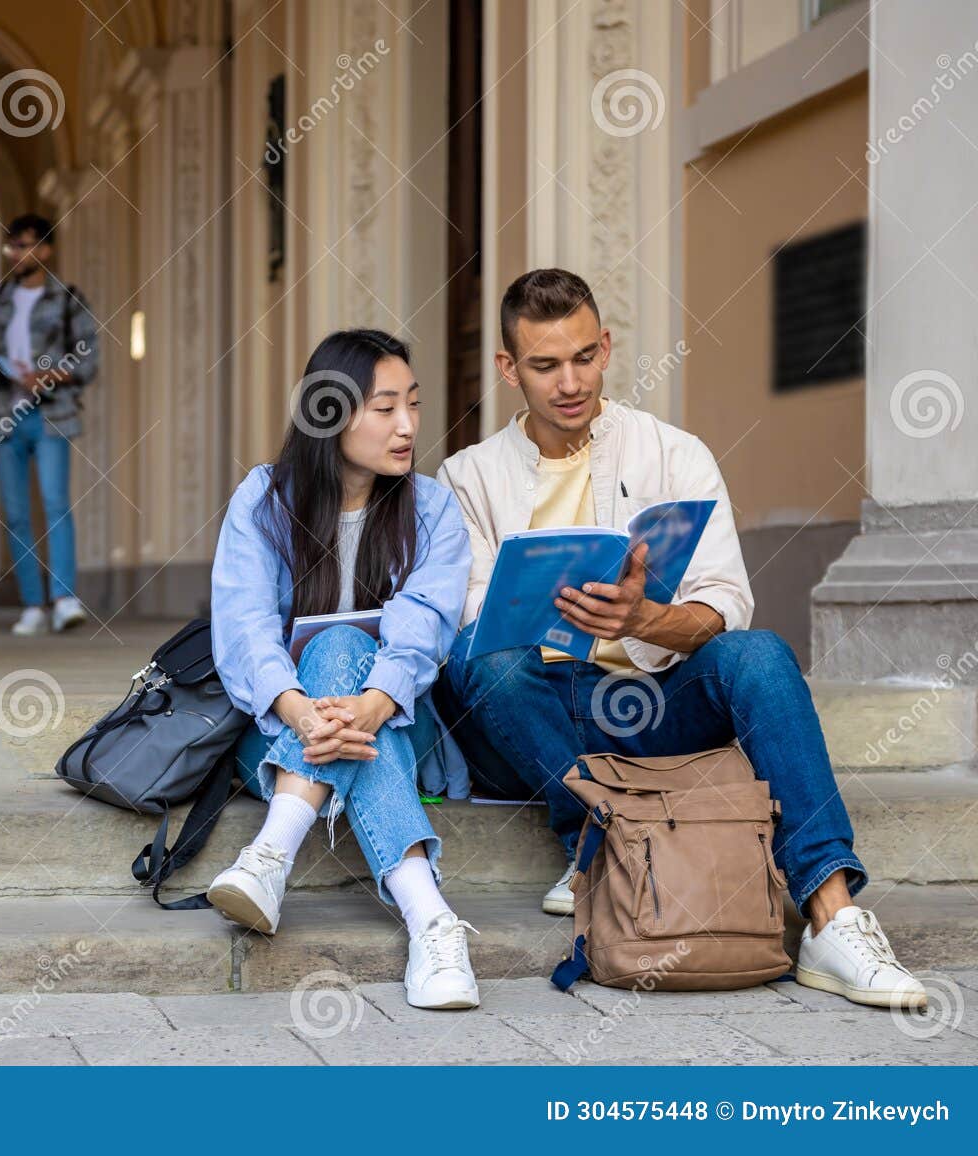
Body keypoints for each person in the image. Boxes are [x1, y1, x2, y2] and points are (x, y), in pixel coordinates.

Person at [434, 268, 927, 1010]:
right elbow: (463, 627)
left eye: (583, 358)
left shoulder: (675, 455)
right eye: (544, 366)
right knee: (491, 668)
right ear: (509, 368)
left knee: (759, 654)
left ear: (605, 347)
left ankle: (833, 917)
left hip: (653, 700)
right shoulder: (465, 477)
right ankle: (600, 848)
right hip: (537, 721)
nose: (569, 382)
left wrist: (642, 620)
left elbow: (723, 601)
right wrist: (549, 613)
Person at [207, 328, 480, 1010]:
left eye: (412, 405)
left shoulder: (433, 509)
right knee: (331, 654)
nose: (408, 425)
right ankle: (433, 922)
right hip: (275, 732)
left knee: (346, 653)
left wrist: (375, 702)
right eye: (385, 408)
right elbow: (244, 629)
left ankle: (270, 856)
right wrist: (303, 710)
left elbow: (423, 626)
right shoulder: (265, 500)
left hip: (398, 729)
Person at [0, 213, 99, 636]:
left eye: (27, 245)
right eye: (14, 246)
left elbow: (88, 357)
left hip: (52, 414)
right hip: (7, 414)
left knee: (56, 503)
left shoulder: (67, 299)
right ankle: (32, 605)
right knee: (17, 513)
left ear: (46, 249)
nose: (20, 253)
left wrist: (52, 373)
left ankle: (63, 599)